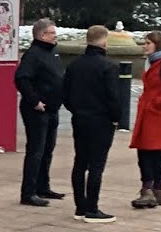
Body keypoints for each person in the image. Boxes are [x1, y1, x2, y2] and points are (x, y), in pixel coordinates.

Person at [62, 25, 121, 224]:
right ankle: (92, 209)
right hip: (101, 120)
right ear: (104, 42)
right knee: (96, 165)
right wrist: (116, 117)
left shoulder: (74, 64)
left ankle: (80, 206)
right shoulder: (108, 66)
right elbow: (113, 97)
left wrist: (76, 109)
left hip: (80, 119)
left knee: (80, 162)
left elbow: (66, 94)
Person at [14, 18, 65, 206]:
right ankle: (28, 192)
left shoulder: (52, 53)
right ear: (42, 35)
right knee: (36, 150)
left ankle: (43, 186)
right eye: (53, 33)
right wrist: (35, 100)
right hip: (37, 110)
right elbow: (21, 79)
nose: (56, 36)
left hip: (53, 108)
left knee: (48, 149)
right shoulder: (33, 55)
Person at [129, 31, 161, 210]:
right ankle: (155, 191)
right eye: (144, 43)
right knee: (151, 153)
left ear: (157, 45)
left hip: (157, 115)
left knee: (150, 153)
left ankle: (149, 191)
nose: (144, 46)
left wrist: (155, 102)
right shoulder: (152, 62)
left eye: (148, 43)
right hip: (150, 113)